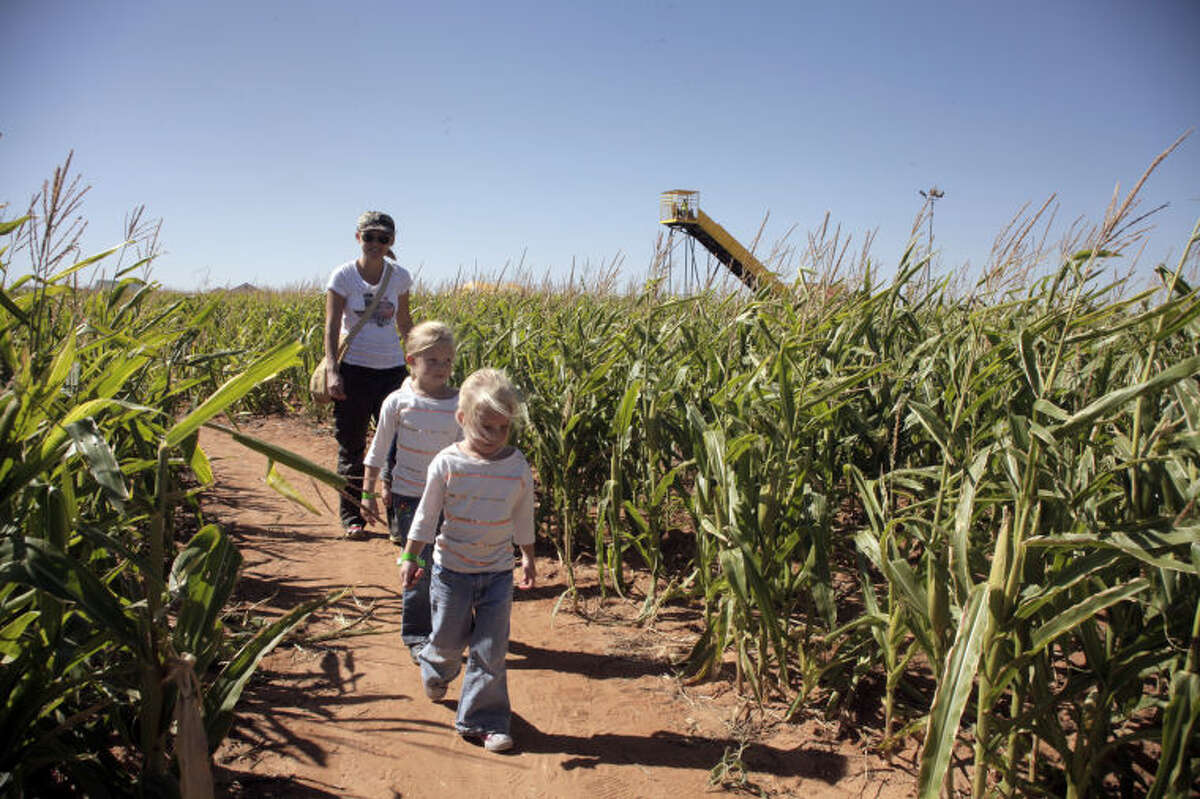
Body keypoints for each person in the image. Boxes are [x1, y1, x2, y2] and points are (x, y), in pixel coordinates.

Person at [396, 368, 536, 754]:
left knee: (490, 650)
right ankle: (436, 666)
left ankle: (484, 721)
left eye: (502, 428)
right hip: (451, 571)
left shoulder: (515, 465)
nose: (493, 437)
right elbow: (426, 515)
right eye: (484, 427)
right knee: (446, 641)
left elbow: (523, 514)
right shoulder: (447, 463)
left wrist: (527, 555)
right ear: (462, 419)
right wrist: (411, 555)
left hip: (495, 573)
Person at [362, 321, 460, 662]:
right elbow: (377, 450)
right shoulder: (397, 402)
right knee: (417, 564)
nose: (441, 368)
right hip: (410, 497)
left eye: (447, 361)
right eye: (431, 360)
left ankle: (452, 626)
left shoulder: (461, 403)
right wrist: (368, 492)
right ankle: (417, 633)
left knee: (451, 565)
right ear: (410, 361)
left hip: (452, 499)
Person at [323, 211, 413, 539]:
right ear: (358, 237)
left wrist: (418, 361)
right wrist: (333, 370)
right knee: (351, 446)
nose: (376, 243)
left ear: (391, 242)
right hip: (353, 371)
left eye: (383, 238)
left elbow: (404, 323)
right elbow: (332, 326)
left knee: (396, 448)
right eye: (370, 237)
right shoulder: (344, 276)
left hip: (391, 372)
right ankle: (352, 518)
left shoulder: (400, 276)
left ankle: (397, 522)